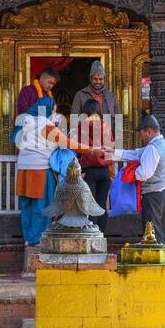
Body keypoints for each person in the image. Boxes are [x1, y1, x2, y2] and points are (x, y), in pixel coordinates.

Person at [14, 99, 96, 246]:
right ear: (47, 110)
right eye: (53, 110)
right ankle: (37, 239)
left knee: (27, 206)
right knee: (42, 206)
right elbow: (68, 143)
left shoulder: (25, 123)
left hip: (23, 170)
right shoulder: (46, 125)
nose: (54, 113)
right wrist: (90, 149)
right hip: (39, 171)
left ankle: (28, 238)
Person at [110, 114, 165, 243]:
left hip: (153, 195)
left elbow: (144, 173)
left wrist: (129, 173)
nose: (141, 137)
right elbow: (136, 153)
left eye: (142, 133)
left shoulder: (153, 147)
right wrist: (112, 152)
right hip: (164, 194)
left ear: (149, 131)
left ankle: (155, 262)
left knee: (152, 233)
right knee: (160, 231)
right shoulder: (164, 144)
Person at [72, 98, 111, 233]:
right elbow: (111, 149)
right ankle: (102, 236)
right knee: (101, 206)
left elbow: (76, 148)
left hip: (89, 171)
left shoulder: (81, 127)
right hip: (104, 172)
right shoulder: (106, 127)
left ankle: (92, 236)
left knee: (91, 206)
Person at [71, 59, 118, 123]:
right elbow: (74, 119)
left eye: (100, 79)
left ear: (104, 79)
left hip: (107, 132)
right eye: (95, 79)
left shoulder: (111, 97)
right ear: (90, 78)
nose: (98, 82)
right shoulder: (80, 95)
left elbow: (118, 120)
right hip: (86, 132)